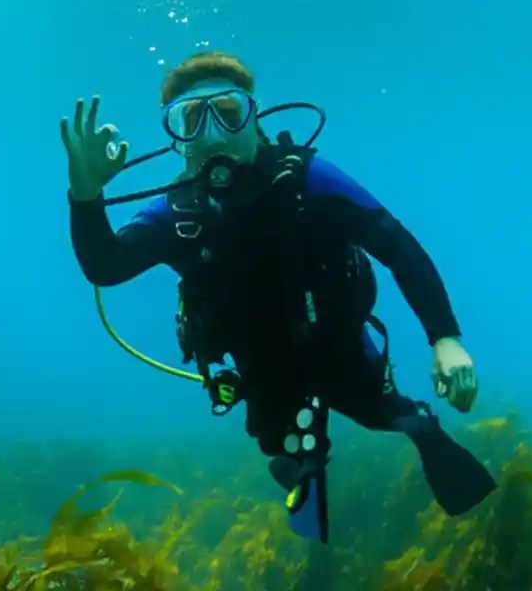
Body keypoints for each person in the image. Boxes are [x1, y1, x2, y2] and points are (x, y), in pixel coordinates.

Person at [60, 50, 496, 542]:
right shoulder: (177, 215)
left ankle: (421, 428)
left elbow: (399, 247)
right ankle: (302, 463)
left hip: (340, 347)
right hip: (262, 369)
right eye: (190, 120)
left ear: (256, 116)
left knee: (383, 414)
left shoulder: (308, 181)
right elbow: (105, 266)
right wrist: (85, 195)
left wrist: (446, 339)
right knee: (281, 447)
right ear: (176, 140)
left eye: (227, 114)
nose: (212, 134)